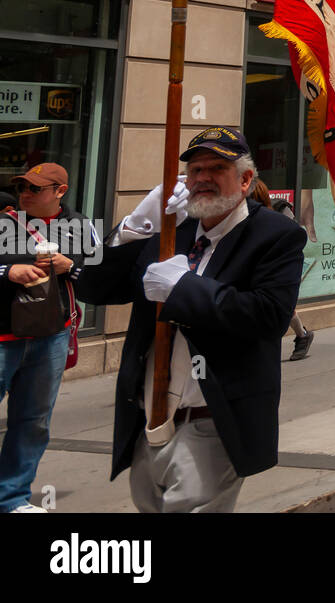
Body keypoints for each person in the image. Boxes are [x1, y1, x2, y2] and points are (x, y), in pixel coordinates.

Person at [75, 128, 306, 512]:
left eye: (217, 168)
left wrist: (184, 288)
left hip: (212, 421)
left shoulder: (275, 235)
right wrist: (135, 227)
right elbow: (96, 289)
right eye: (194, 170)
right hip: (150, 419)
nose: (202, 178)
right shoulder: (171, 230)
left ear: (246, 179)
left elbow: (267, 315)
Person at [0, 165, 94, 514]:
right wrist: (8, 271)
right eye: (21, 186)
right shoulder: (3, 222)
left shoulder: (81, 227)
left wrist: (71, 266)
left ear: (60, 191)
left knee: (33, 421)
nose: (25, 193)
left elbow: (100, 278)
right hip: (2, 335)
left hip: (49, 337)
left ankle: (11, 497)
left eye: (35, 188)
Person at [269, 197, 314, 361]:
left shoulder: (278, 209)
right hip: (270, 263)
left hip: (282, 263)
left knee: (283, 305)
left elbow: (291, 232)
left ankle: (302, 336)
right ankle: (302, 335)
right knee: (283, 306)